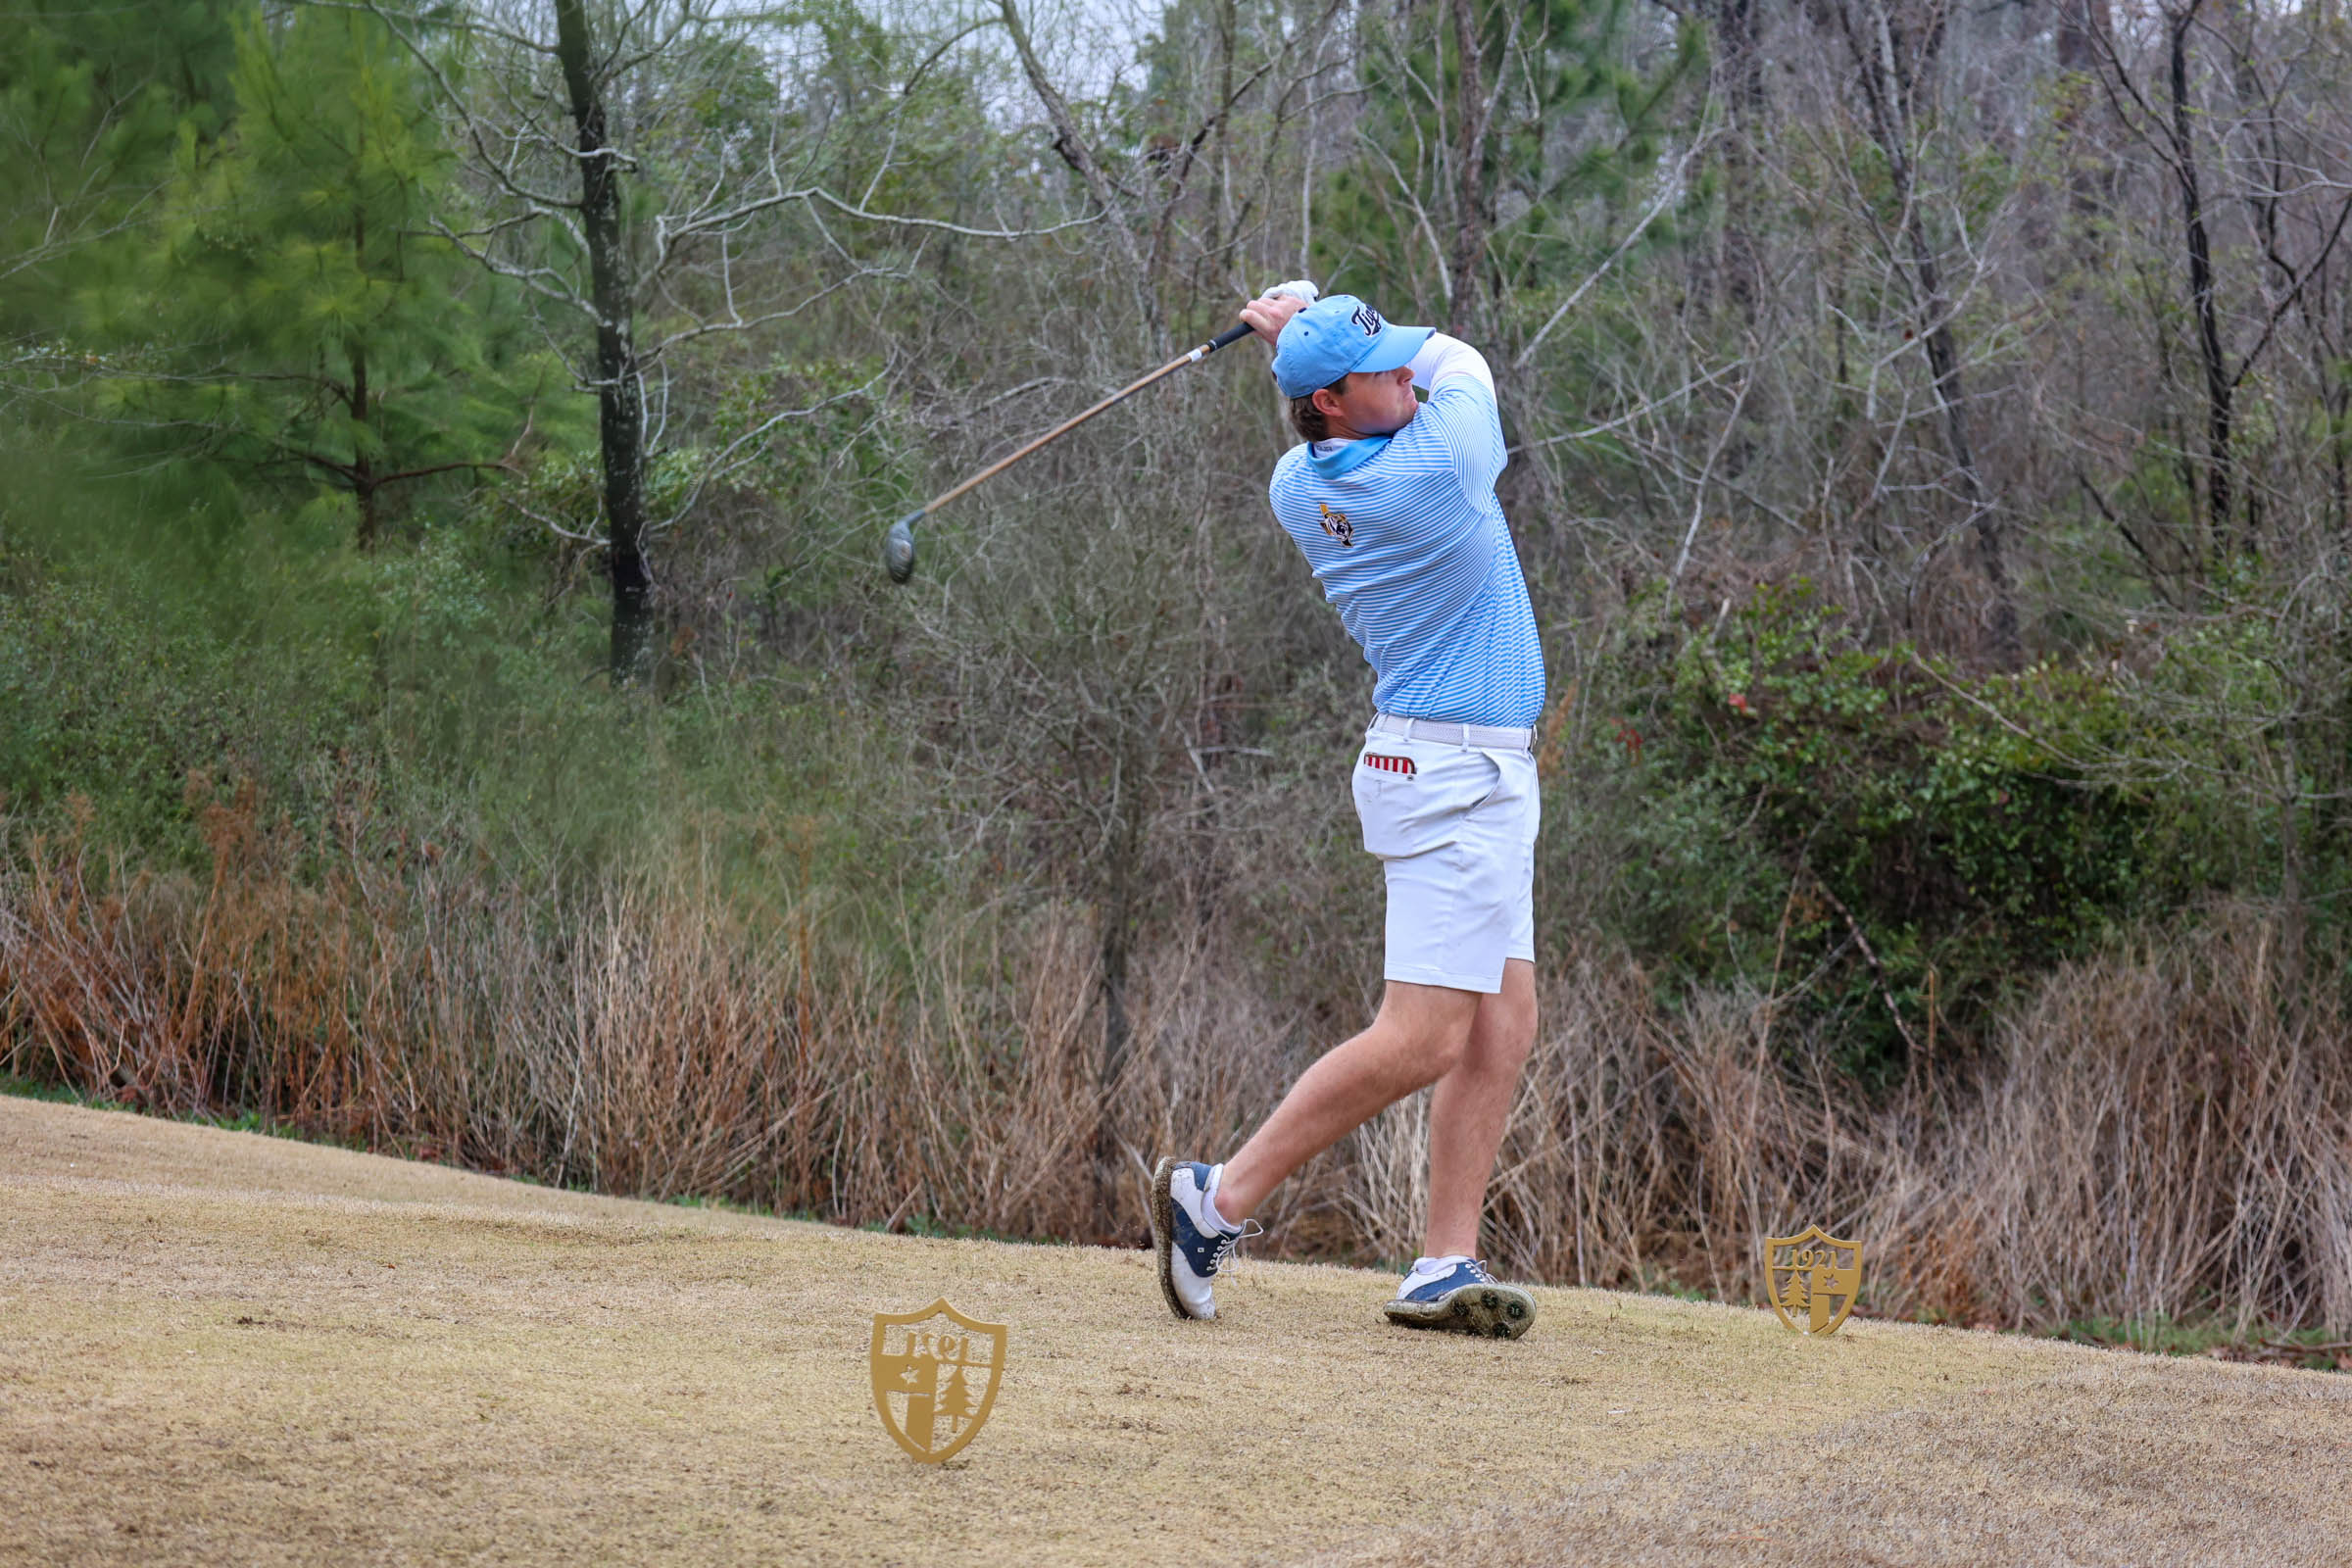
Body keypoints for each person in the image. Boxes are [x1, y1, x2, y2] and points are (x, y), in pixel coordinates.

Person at [1149, 286, 1545, 1340]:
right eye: (1382, 374)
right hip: (1454, 776)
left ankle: (1441, 1261)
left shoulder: (1297, 477)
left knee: (1501, 1024)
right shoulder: (1435, 466)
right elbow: (1467, 362)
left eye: (1400, 364)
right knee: (1422, 1037)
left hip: (1470, 771)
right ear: (1330, 401)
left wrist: (1307, 338)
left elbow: (1363, 392)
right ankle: (1217, 1199)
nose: (1406, 377)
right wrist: (1311, 308)